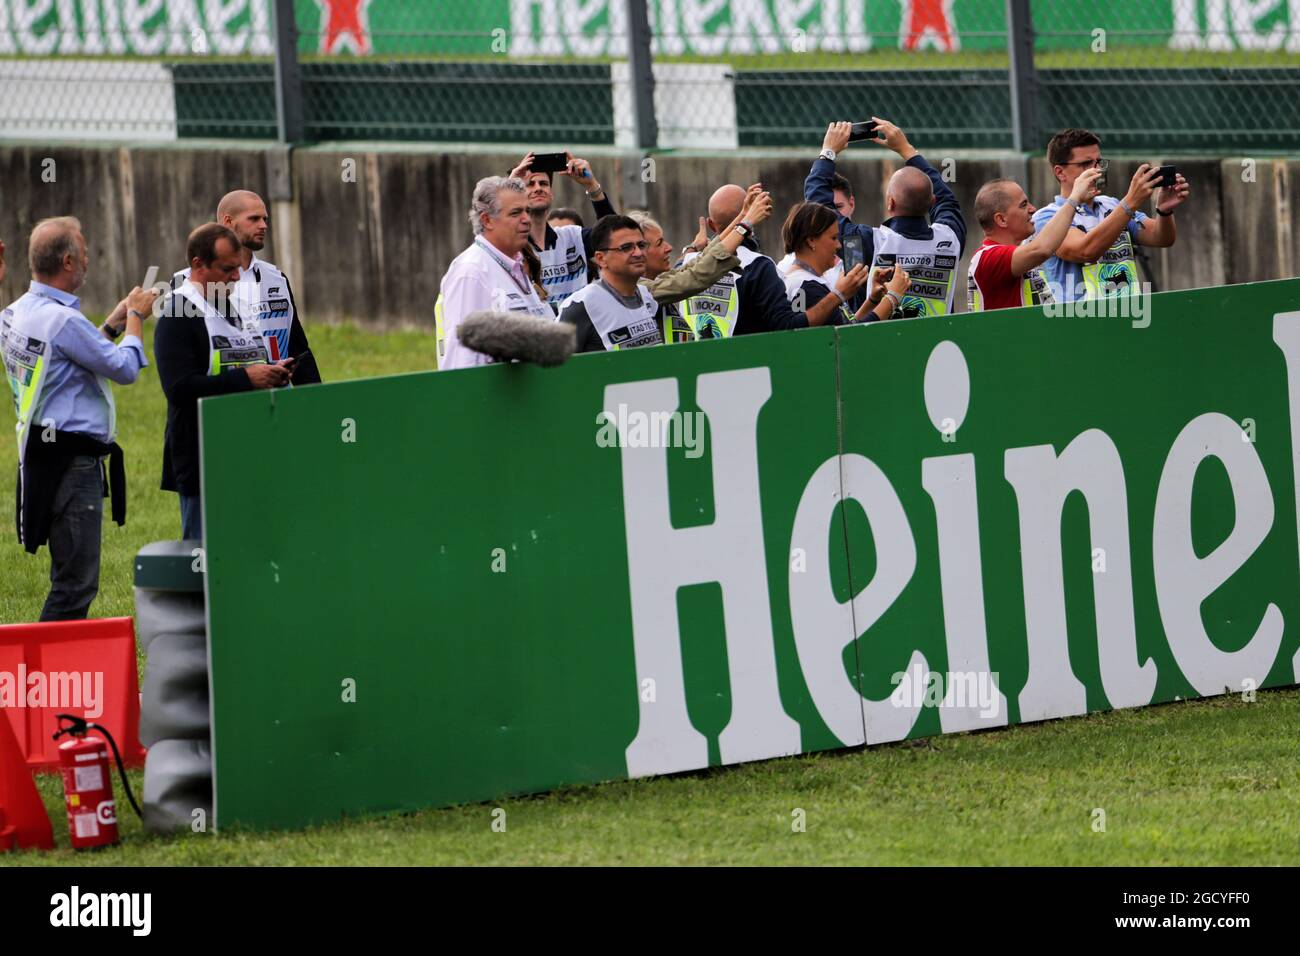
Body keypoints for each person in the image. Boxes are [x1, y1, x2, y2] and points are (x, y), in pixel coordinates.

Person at [1, 217, 156, 620]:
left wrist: (112, 323)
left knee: (66, 575)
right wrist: (137, 318)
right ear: (68, 261)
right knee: (76, 583)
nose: (89, 258)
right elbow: (122, 369)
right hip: (71, 464)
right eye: (85, 252)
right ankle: (42, 676)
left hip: (41, 454)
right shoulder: (64, 321)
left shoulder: (17, 313)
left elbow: (72, 361)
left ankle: (43, 673)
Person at [155, 223, 293, 539]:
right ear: (198, 264)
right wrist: (247, 379)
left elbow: (241, 360)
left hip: (244, 449)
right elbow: (179, 389)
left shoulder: (231, 304)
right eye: (227, 269)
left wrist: (271, 371)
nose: (235, 277)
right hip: (202, 455)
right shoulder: (178, 313)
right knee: (205, 557)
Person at [807, 118, 968, 318]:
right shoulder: (951, 239)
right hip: (939, 345)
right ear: (931, 201)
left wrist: (828, 152)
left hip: (884, 346)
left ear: (890, 203)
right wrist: (907, 150)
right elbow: (947, 200)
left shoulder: (864, 243)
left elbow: (818, 207)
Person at [173, 189, 321, 384]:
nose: (263, 226)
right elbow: (181, 373)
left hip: (276, 402)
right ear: (227, 222)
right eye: (254, 219)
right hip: (222, 404)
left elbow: (298, 349)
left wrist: (317, 403)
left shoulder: (276, 278)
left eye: (265, 219)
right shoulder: (186, 283)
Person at [678, 184, 859, 338]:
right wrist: (838, 295)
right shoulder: (758, 266)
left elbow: (669, 280)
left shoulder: (687, 264)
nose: (838, 245)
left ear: (711, 225)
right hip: (751, 371)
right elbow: (787, 327)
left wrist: (692, 247)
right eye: (833, 238)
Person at [1032, 128, 1190, 302]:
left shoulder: (1112, 205)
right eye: (1085, 164)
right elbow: (1085, 251)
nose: (1097, 170)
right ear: (1060, 172)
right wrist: (1130, 202)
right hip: (1081, 320)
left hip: (1126, 313)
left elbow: (1161, 238)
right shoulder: (1048, 217)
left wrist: (1164, 210)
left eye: (1098, 162)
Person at [628, 184, 775, 342]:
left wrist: (743, 217)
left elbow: (700, 261)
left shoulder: (651, 283)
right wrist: (745, 223)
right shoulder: (637, 291)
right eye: (659, 243)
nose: (669, 248)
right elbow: (696, 274)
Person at [436, 176, 554, 370]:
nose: (526, 219)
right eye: (516, 213)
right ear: (487, 220)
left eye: (527, 211)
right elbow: (463, 364)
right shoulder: (472, 273)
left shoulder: (515, 265)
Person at [968, 167, 1105, 311]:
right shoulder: (988, 257)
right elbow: (1042, 249)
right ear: (1001, 219)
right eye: (1023, 205)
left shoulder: (1019, 252)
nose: (1033, 209)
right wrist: (1074, 198)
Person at [508, 151, 615, 309]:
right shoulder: (508, 248)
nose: (538, 188)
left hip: (581, 331)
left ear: (551, 193)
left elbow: (615, 235)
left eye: (543, 184)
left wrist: (591, 185)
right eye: (529, 184)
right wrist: (508, 192)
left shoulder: (573, 236)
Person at [780, 201, 913, 323]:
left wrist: (873, 300)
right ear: (811, 241)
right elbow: (850, 340)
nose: (838, 245)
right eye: (833, 238)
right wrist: (892, 298)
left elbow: (846, 327)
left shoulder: (797, 279)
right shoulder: (809, 286)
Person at [559, 216, 662, 353]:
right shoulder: (581, 304)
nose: (638, 253)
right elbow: (554, 368)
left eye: (641, 245)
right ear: (601, 259)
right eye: (626, 247)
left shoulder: (647, 296)